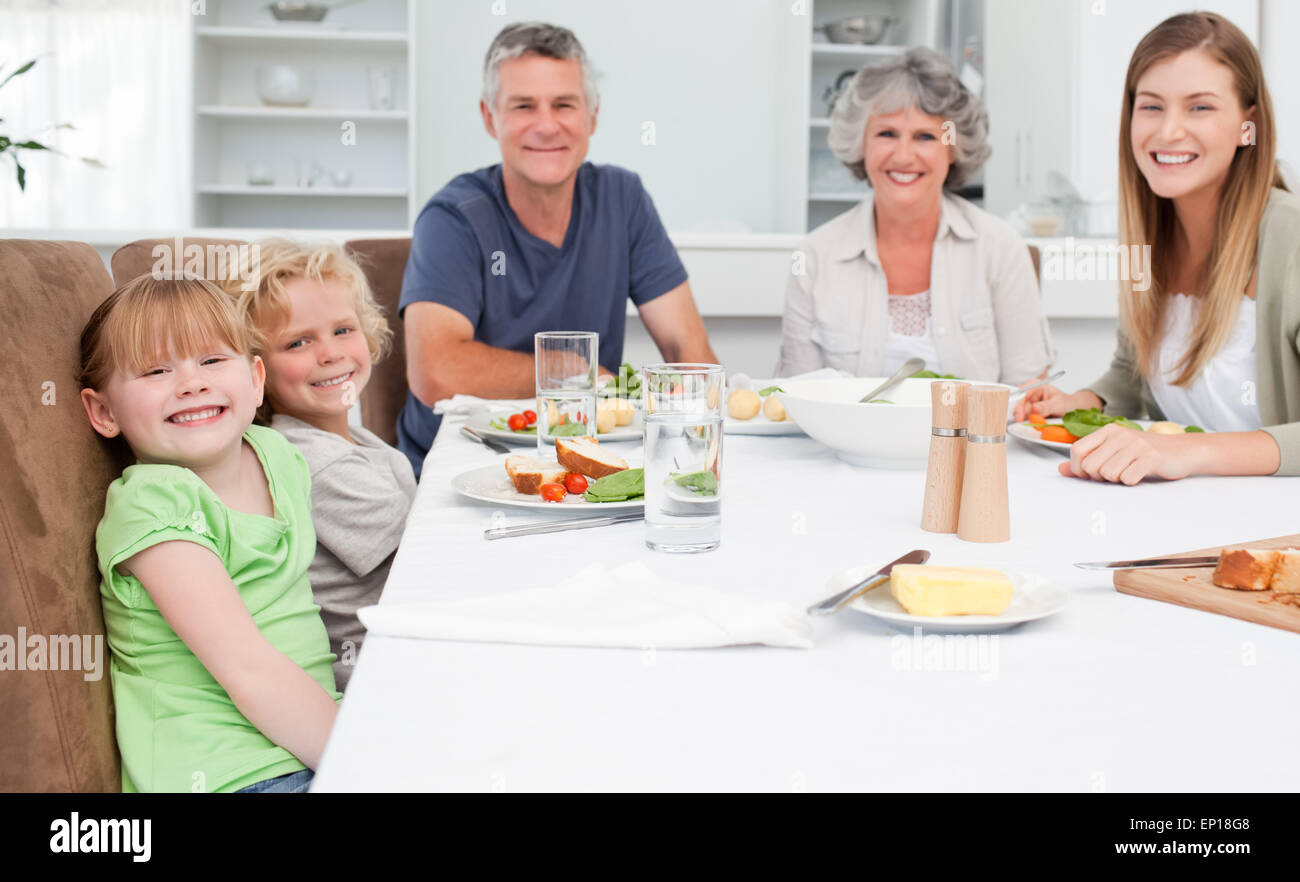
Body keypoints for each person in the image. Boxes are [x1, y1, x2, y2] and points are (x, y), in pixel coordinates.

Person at [397, 22, 718, 477]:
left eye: (564, 104)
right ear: (490, 117)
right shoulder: (453, 217)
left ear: (592, 115)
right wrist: (578, 375)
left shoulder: (622, 198)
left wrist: (701, 446)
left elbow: (688, 349)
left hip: (586, 462)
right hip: (461, 465)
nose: (547, 125)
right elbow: (437, 372)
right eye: (523, 106)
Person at [79, 275, 340, 792]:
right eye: (156, 370)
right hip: (233, 776)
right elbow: (249, 672)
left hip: (309, 740)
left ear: (256, 378)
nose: (192, 383)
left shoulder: (278, 456)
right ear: (104, 412)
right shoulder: (153, 505)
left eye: (213, 360)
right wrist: (370, 761)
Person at [1015, 11, 1300, 484]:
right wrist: (1081, 404)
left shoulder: (1290, 239)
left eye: (1200, 107)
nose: (1168, 132)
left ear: (1247, 124)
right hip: (1181, 515)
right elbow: (1133, 373)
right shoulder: (1148, 235)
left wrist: (1186, 452)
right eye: (1151, 106)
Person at [776, 47, 1054, 384]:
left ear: (954, 148)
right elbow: (797, 399)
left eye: (925, 136)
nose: (904, 156)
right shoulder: (814, 256)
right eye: (886, 134)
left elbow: (1027, 393)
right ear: (861, 143)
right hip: (844, 440)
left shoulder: (1000, 248)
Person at [227, 239, 417, 691]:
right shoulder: (314, 463)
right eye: (298, 342)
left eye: (343, 330)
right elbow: (433, 568)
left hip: (407, 647)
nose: (330, 353)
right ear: (256, 371)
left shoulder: (348, 442)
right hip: (386, 677)